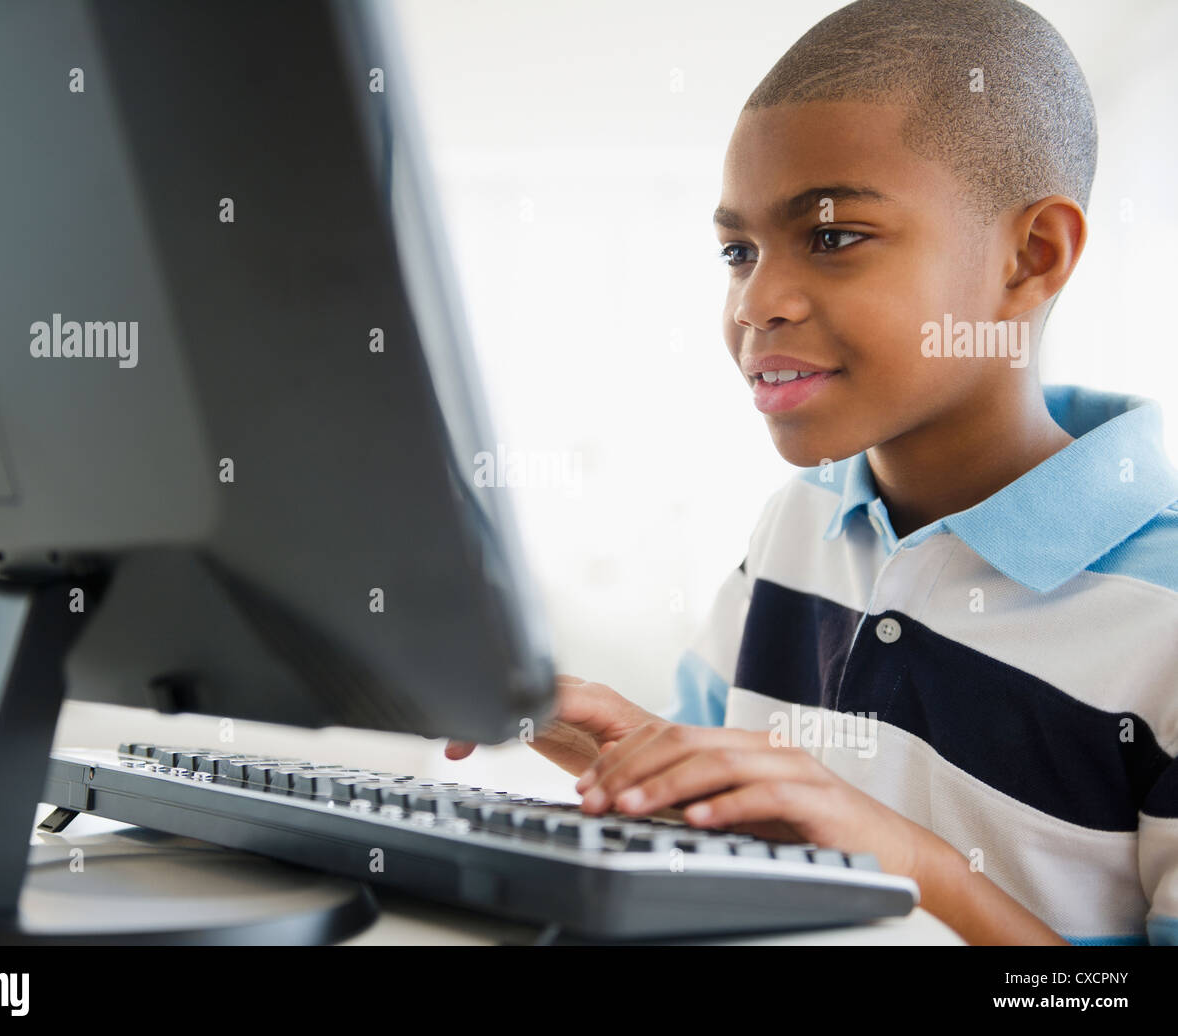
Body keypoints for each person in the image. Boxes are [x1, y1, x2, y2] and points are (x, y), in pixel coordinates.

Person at [448, 0, 1178, 946]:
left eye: (831, 238)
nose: (756, 303)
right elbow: (749, 856)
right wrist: (644, 761)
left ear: (1030, 258)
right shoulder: (796, 527)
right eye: (737, 252)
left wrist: (912, 870)